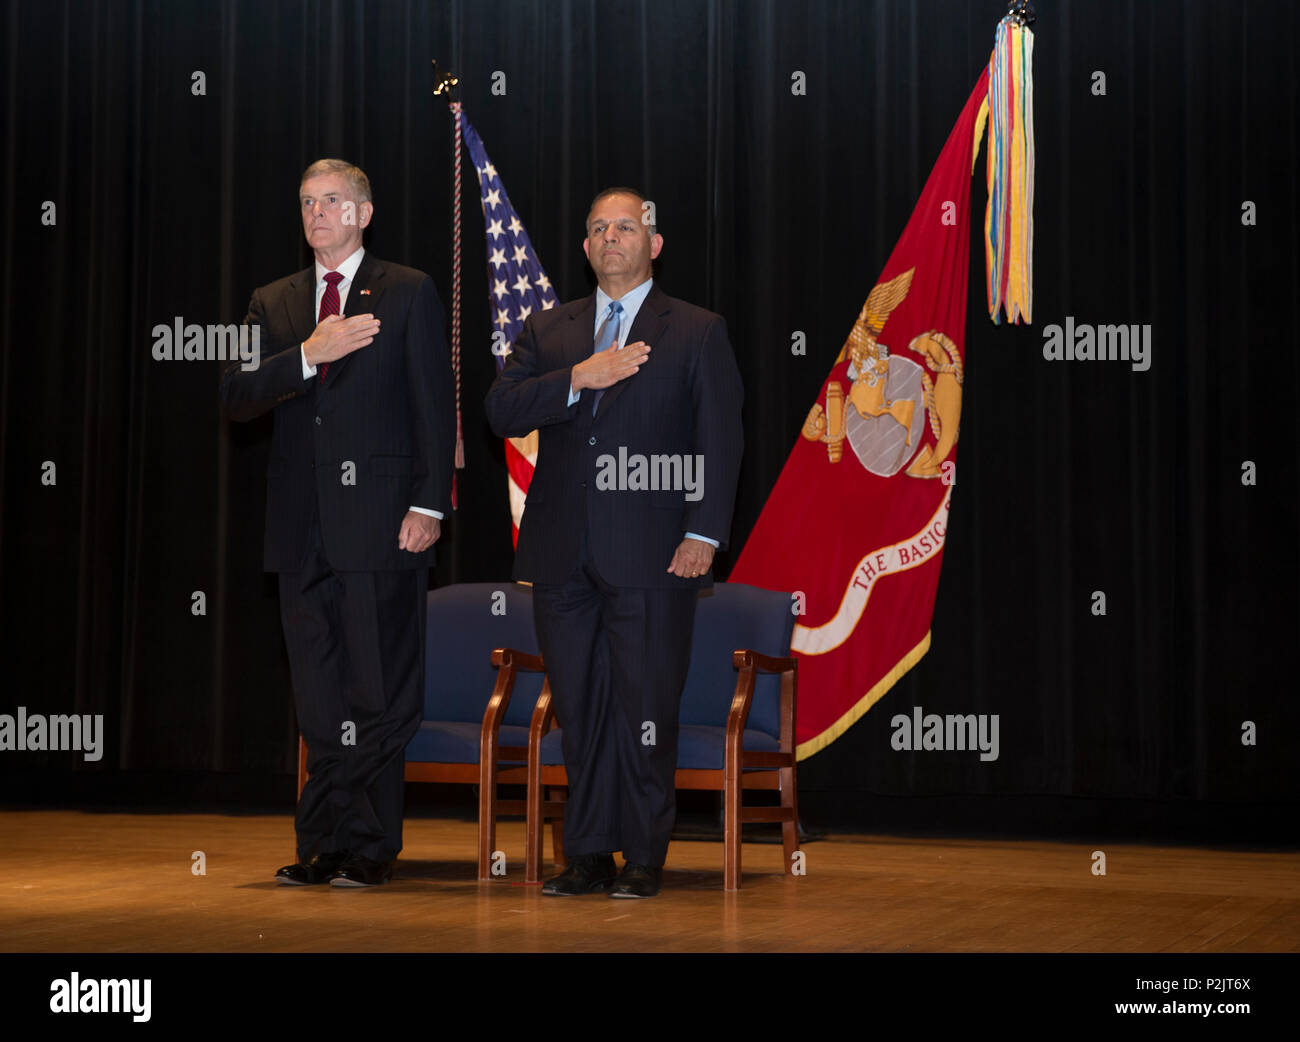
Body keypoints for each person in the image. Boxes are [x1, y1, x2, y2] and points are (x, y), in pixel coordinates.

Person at [485, 187, 743, 897]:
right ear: (586, 249)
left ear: (653, 244)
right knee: (581, 707)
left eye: (624, 227)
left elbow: (720, 442)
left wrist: (704, 532)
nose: (610, 238)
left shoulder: (695, 330)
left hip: (656, 553)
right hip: (562, 556)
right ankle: (590, 853)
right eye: (597, 228)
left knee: (645, 707)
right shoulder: (551, 331)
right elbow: (500, 410)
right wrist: (577, 378)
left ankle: (646, 854)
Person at [221, 159, 454, 887]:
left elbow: (432, 404)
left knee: (378, 692)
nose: (316, 213)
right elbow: (234, 394)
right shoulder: (274, 300)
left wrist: (429, 504)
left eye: (331, 202)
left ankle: (370, 845)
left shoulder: (409, 291)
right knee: (320, 698)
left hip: (384, 524)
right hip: (299, 532)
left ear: (363, 212)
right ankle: (323, 842)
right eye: (306, 203)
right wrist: (304, 357)